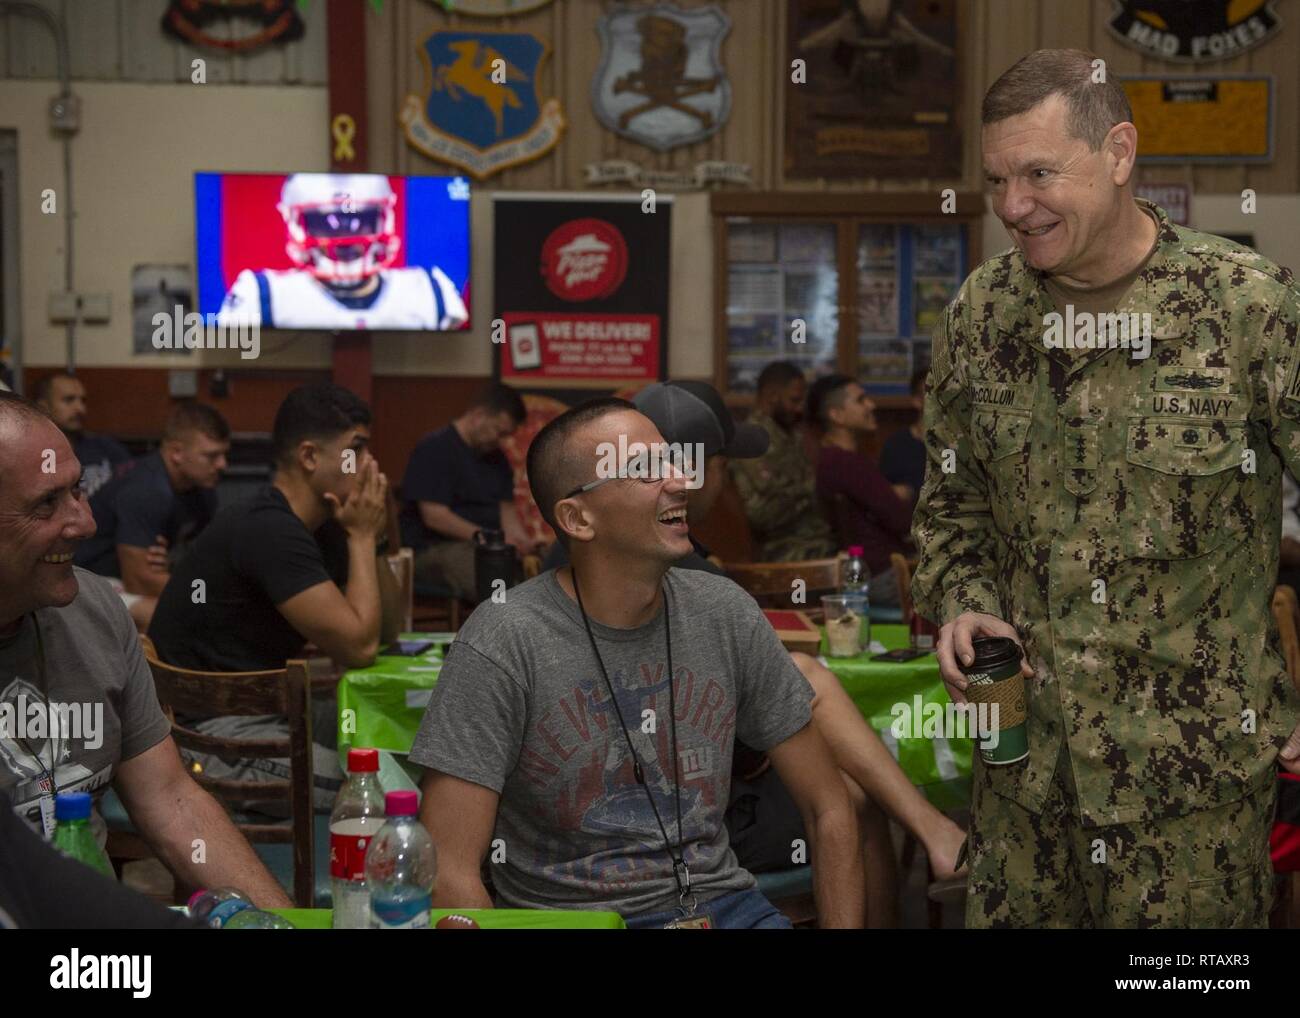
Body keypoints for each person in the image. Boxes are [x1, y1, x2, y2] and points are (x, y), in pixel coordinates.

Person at [913, 48, 1300, 929]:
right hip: (1021, 778)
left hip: (1190, 793)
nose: (1014, 206)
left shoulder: (1248, 309)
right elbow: (951, 505)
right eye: (998, 179)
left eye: (1041, 173)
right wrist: (963, 602)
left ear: (1120, 152)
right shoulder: (980, 315)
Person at [410, 398, 865, 928]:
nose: (680, 480)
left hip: (725, 908)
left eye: (674, 461)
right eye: (646, 468)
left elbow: (830, 808)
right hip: (576, 921)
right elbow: (449, 870)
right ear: (578, 518)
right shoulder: (504, 637)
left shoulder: (724, 610)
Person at [545, 381, 965, 925]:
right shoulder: (662, 569)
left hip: (634, 804)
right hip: (687, 816)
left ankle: (934, 832)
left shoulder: (594, 555)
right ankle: (934, 832)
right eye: (720, 463)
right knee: (844, 778)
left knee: (822, 743)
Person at [0, 391, 291, 908]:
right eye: (47, 503)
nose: (85, 524)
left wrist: (280, 926)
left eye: (78, 492)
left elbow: (173, 801)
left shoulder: (95, 610)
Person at [149, 385, 401, 808]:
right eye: (355, 450)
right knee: (378, 796)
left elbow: (387, 632)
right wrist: (360, 536)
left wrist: (372, 538)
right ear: (308, 457)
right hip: (211, 734)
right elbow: (360, 647)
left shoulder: (328, 523)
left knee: (408, 746)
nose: (368, 465)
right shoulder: (269, 528)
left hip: (272, 711)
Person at [216, 173, 468, 331]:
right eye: (326, 223)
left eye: (361, 219)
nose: (347, 238)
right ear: (296, 225)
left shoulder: (429, 291)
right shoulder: (260, 294)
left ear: (384, 219)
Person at [75, 400, 230, 599]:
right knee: (161, 614)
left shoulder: (204, 492)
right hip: (90, 580)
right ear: (176, 453)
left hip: (129, 578)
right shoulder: (147, 490)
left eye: (225, 454)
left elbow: (198, 560)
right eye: (212, 456)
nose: (222, 464)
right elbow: (139, 583)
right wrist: (215, 597)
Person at [399, 383, 533, 601]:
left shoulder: (497, 459)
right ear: (478, 416)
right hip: (434, 548)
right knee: (490, 570)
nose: (502, 441)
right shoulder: (434, 448)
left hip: (487, 548)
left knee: (544, 564)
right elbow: (434, 517)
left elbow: (507, 513)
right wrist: (489, 539)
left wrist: (523, 542)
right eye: (499, 432)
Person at [807, 374, 912, 608]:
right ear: (837, 415)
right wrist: (900, 495)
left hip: (868, 572)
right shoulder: (846, 463)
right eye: (861, 400)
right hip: (880, 575)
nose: (871, 405)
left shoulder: (830, 458)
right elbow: (902, 520)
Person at [729, 361, 836, 562]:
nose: (800, 408)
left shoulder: (790, 433)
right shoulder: (751, 439)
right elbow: (763, 515)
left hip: (813, 538)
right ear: (771, 396)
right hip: (782, 548)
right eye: (794, 400)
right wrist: (809, 489)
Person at [34, 371, 130, 499]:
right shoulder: (36, 455)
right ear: (43, 407)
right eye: (69, 400)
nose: (80, 409)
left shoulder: (105, 447)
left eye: (83, 401)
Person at [880, 367, 928, 504]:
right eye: (933, 393)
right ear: (917, 401)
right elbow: (882, 494)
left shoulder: (952, 445)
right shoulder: (896, 445)